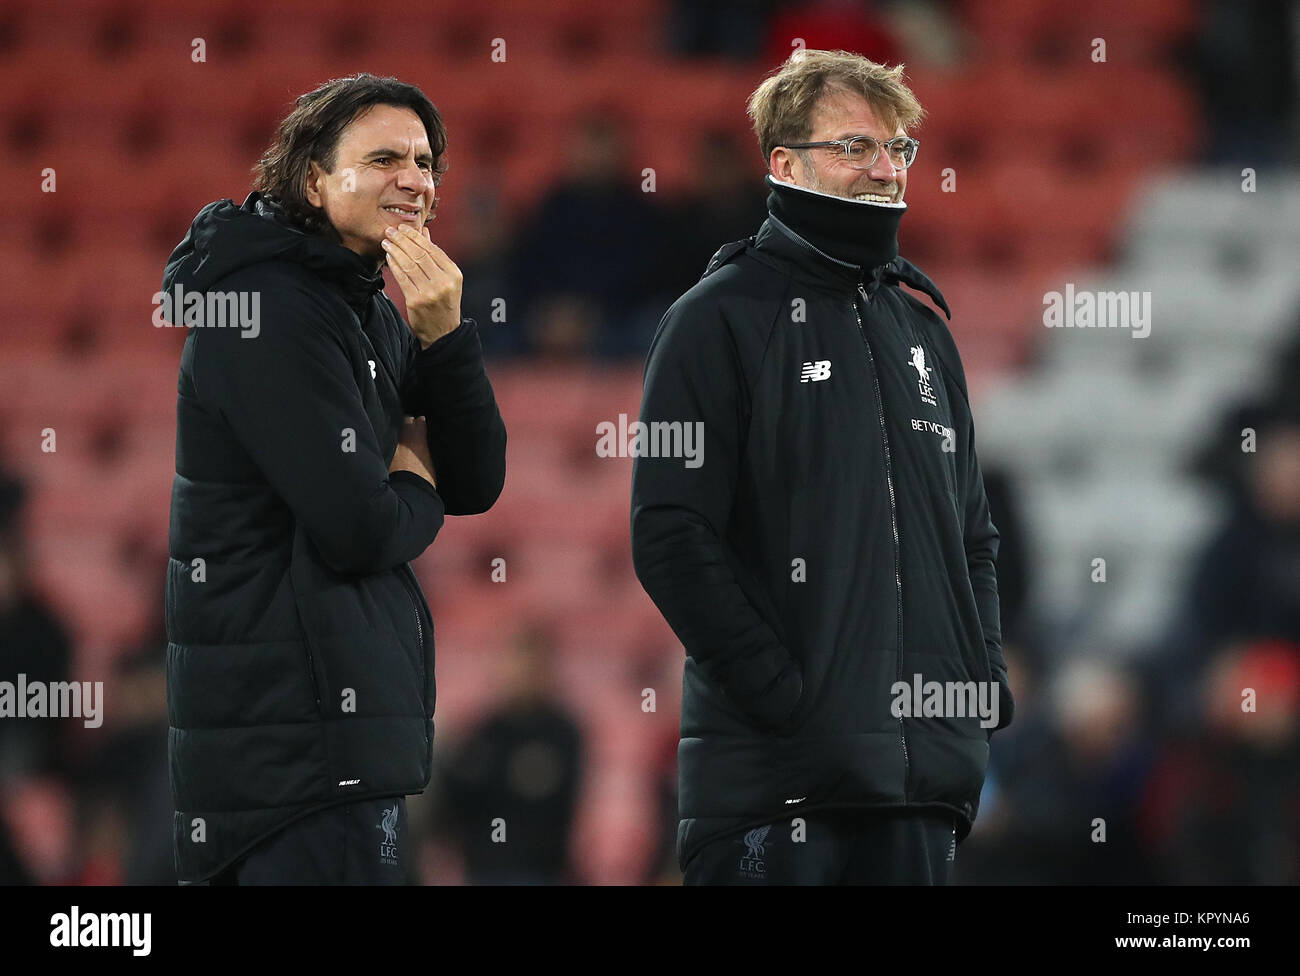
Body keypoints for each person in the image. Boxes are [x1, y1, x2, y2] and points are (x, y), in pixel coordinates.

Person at [631, 50, 1013, 884]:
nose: (885, 168)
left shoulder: (926, 334)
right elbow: (669, 534)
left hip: (921, 795)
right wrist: (788, 701)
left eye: (898, 149)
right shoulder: (715, 319)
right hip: (775, 796)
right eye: (855, 147)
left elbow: (974, 540)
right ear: (784, 164)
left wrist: (979, 684)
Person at [162, 74, 506, 885]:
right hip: (296, 753)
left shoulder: (365, 303)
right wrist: (414, 473)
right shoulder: (267, 307)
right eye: (384, 158)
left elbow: (480, 480)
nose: (416, 181)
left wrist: (448, 338)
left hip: (325, 745)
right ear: (314, 180)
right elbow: (361, 530)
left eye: (426, 162)